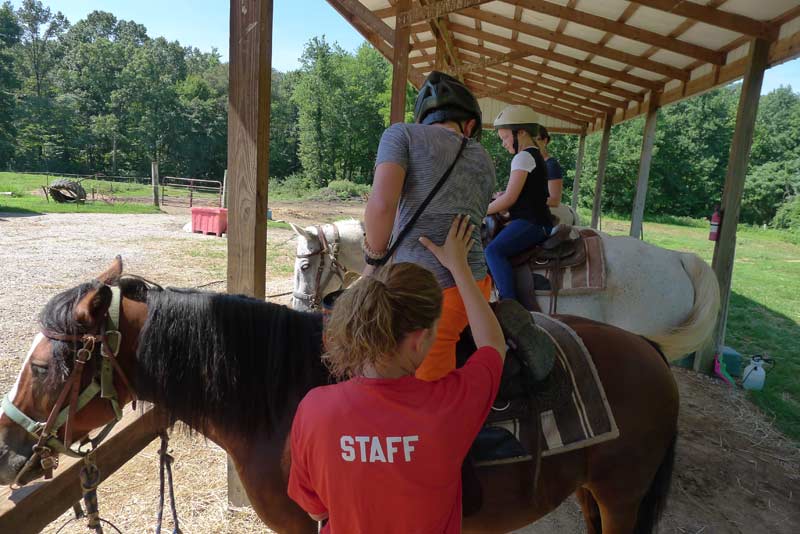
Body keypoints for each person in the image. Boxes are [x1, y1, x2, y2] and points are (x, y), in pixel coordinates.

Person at [288, 216, 510, 533]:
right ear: (420, 340)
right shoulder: (453, 403)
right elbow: (493, 346)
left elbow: (315, 511)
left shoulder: (313, 409)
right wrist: (460, 267)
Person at [361, 71, 495, 381]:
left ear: (422, 118)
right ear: (470, 124)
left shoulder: (401, 135)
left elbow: (381, 205)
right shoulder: (486, 158)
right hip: (472, 286)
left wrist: (373, 259)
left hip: (423, 290)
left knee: (418, 390)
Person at [486, 105, 554, 301]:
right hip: (538, 221)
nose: (504, 144)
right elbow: (517, 194)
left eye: (505, 137)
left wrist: (481, 211)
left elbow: (509, 199)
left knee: (493, 251)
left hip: (532, 222)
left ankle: (509, 303)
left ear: (521, 132)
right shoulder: (535, 155)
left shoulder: (522, 157)